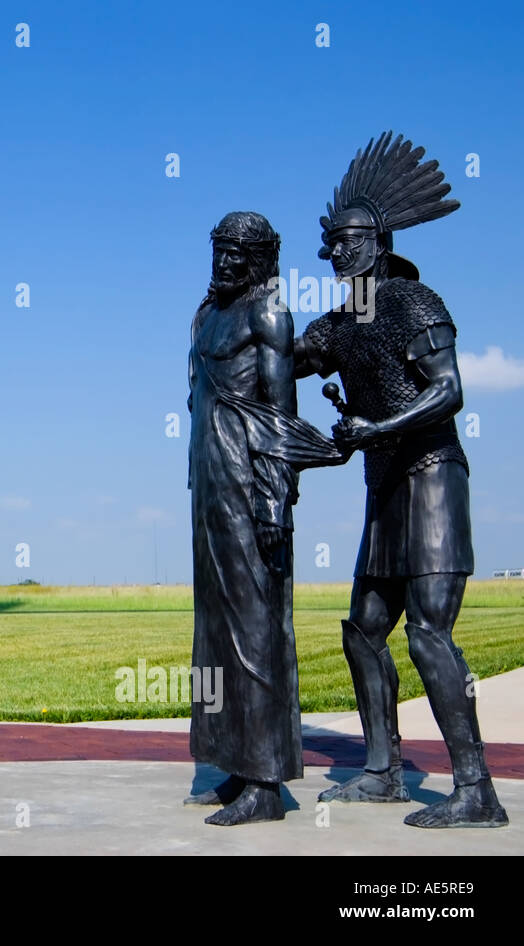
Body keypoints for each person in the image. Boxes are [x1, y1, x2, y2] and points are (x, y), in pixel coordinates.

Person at [295, 132, 507, 828]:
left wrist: (375, 431)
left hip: (432, 480)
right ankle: (383, 771)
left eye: (348, 240)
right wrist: (235, 317)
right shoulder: (344, 323)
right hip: (386, 489)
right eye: (330, 243)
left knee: (428, 634)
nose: (335, 253)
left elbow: (448, 393)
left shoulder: (413, 301)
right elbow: (289, 358)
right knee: (363, 629)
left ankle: (476, 789)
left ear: (379, 241)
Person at [186, 212, 343, 825]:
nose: (225, 264)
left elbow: (281, 414)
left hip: (252, 487)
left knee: (257, 629)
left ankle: (266, 782)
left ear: (261, 260)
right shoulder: (204, 314)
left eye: (237, 255)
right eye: (219, 251)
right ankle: (229, 758)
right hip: (209, 486)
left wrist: (277, 500)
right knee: (216, 629)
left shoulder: (269, 314)